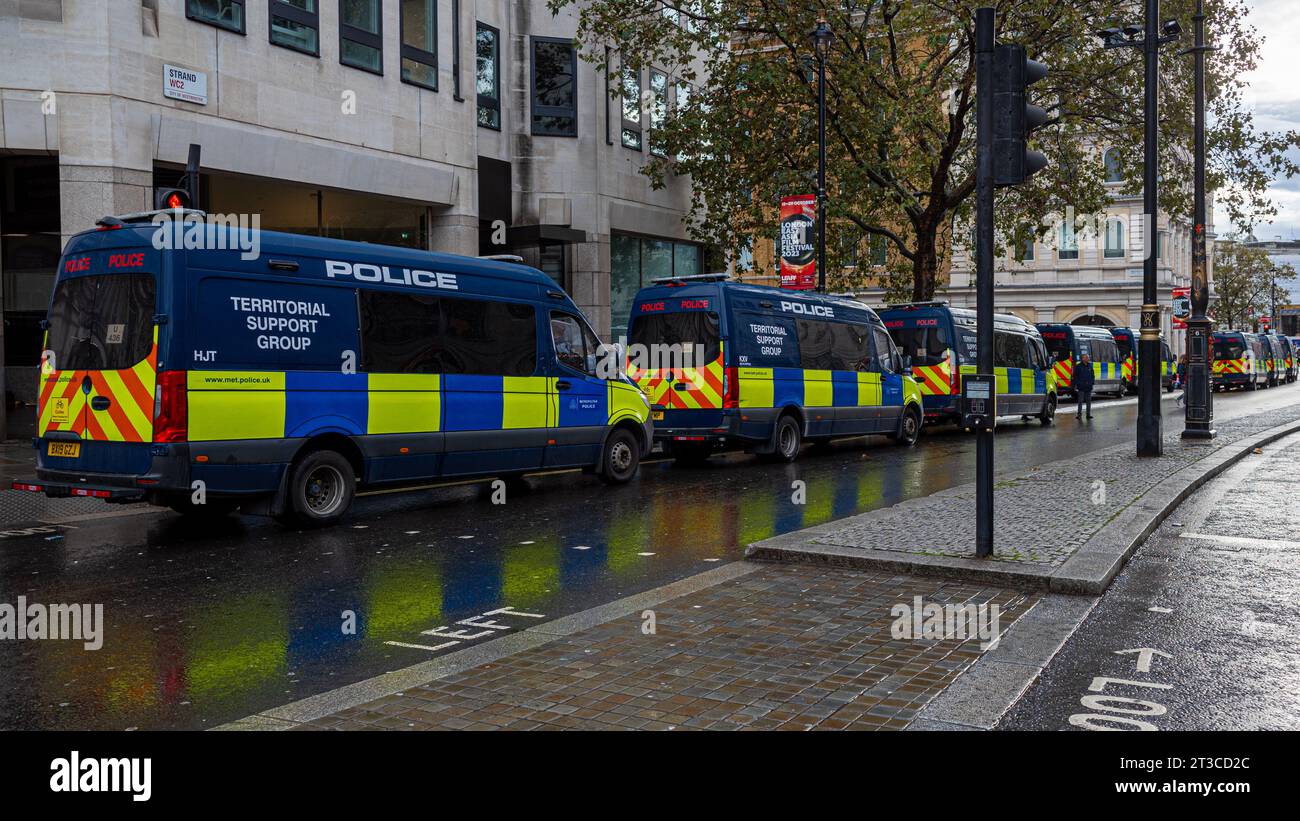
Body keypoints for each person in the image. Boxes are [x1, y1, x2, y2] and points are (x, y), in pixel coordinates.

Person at [1075, 353, 1095, 420]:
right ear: (1083, 358)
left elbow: (1092, 375)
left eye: (1088, 357)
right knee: (1080, 401)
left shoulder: (1090, 366)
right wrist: (1078, 384)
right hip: (1081, 387)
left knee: (1088, 401)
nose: (1088, 358)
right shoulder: (1078, 366)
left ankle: (1088, 414)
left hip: (1088, 386)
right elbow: (1076, 376)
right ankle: (1079, 414)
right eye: (1086, 357)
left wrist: (1092, 382)